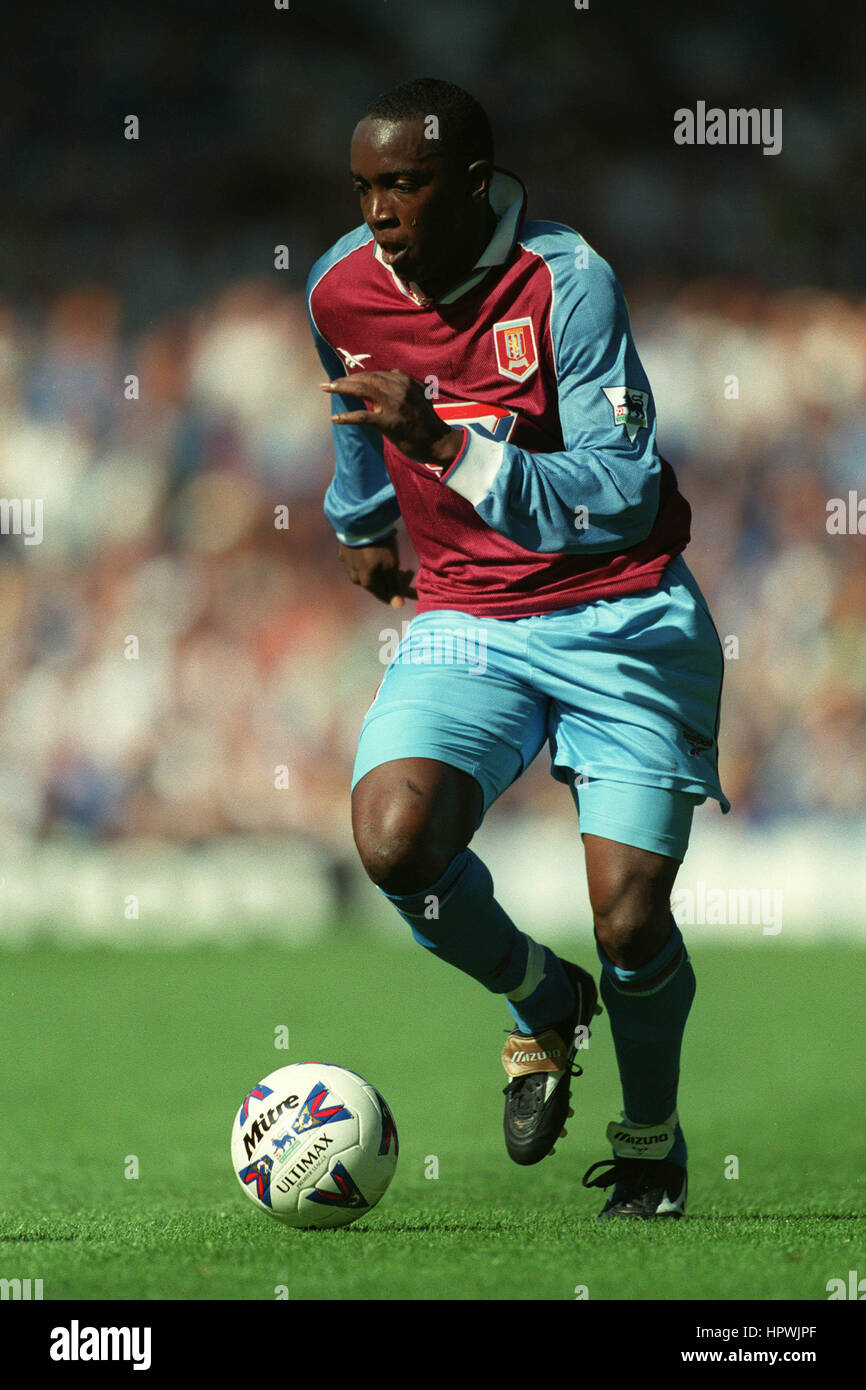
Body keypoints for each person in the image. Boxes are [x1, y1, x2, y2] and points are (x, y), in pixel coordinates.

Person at [305, 77, 729, 1219]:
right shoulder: (339, 284)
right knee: (393, 837)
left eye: (403, 183)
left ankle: (648, 1145)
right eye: (363, 187)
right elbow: (352, 398)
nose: (378, 211)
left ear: (475, 184)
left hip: (618, 611)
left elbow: (620, 491)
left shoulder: (567, 282)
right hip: (465, 617)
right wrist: (359, 518)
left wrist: (440, 444)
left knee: (628, 916)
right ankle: (540, 997)